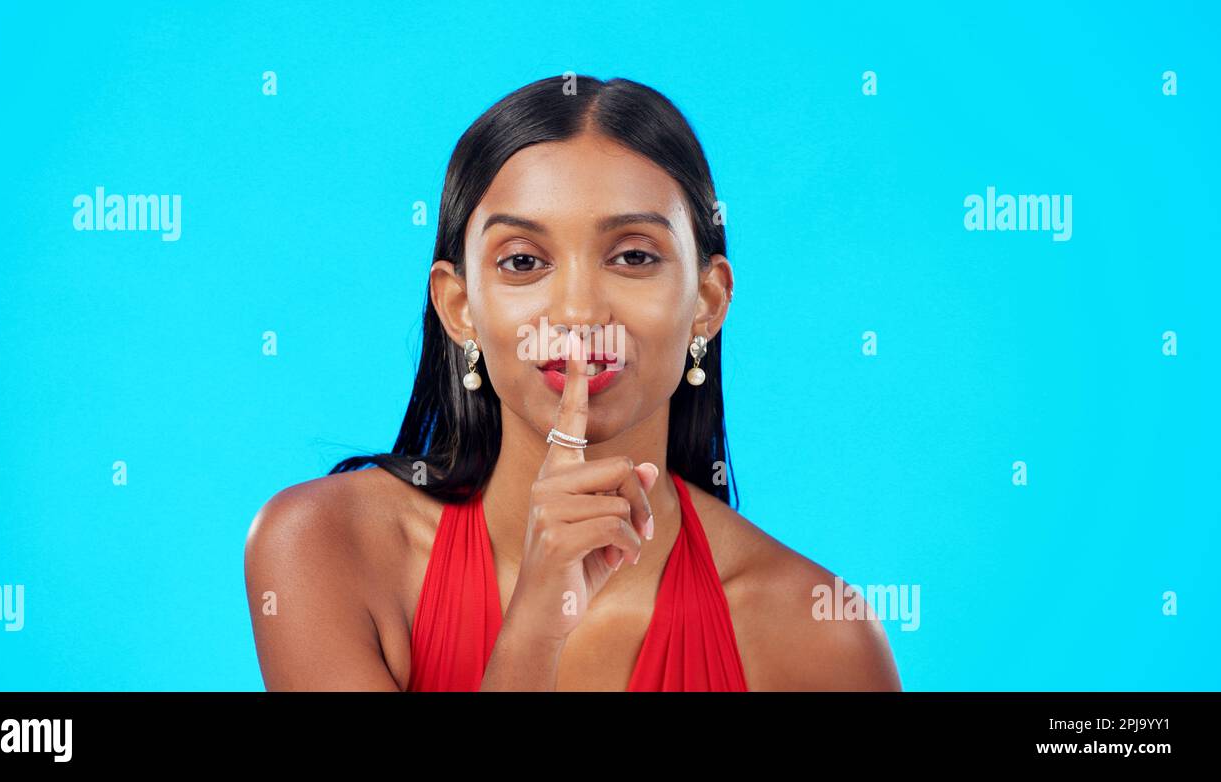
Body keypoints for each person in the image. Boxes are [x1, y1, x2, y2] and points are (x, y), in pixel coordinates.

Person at [244, 75, 901, 691]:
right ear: (458, 306)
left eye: (634, 255)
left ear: (708, 300)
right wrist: (536, 623)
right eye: (523, 261)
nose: (581, 315)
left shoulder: (819, 631)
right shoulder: (322, 546)